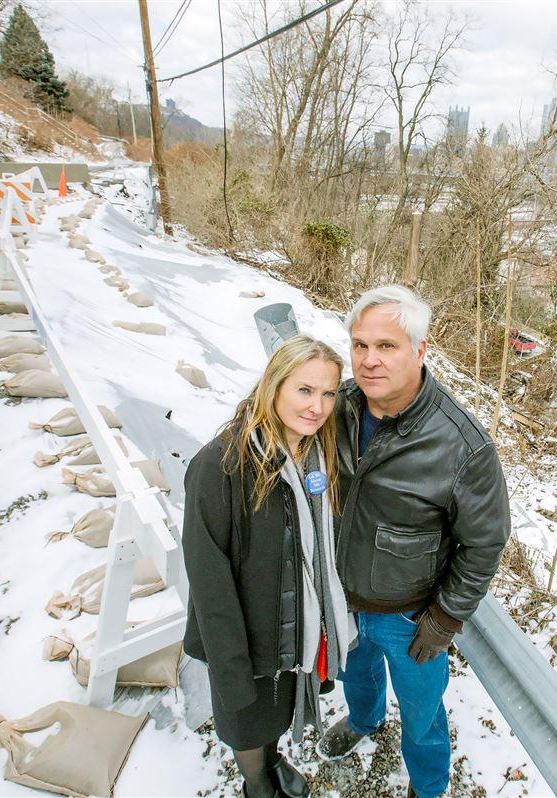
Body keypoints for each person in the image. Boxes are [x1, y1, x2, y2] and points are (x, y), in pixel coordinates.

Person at [316, 285, 511, 798]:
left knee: (423, 715)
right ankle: (363, 721)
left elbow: (485, 543)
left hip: (409, 617)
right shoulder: (340, 409)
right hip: (343, 596)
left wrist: (445, 617)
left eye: (387, 346)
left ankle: (429, 786)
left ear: (420, 351)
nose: (369, 360)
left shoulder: (462, 445)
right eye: (360, 345)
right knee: (356, 677)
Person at [183, 335, 354, 798]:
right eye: (304, 390)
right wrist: (231, 666)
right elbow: (208, 580)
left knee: (277, 713)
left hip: (295, 626)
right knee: (247, 721)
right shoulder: (220, 465)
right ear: (274, 385)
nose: (317, 406)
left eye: (327, 393)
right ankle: (258, 784)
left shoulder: (316, 453)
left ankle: (274, 760)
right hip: (243, 635)